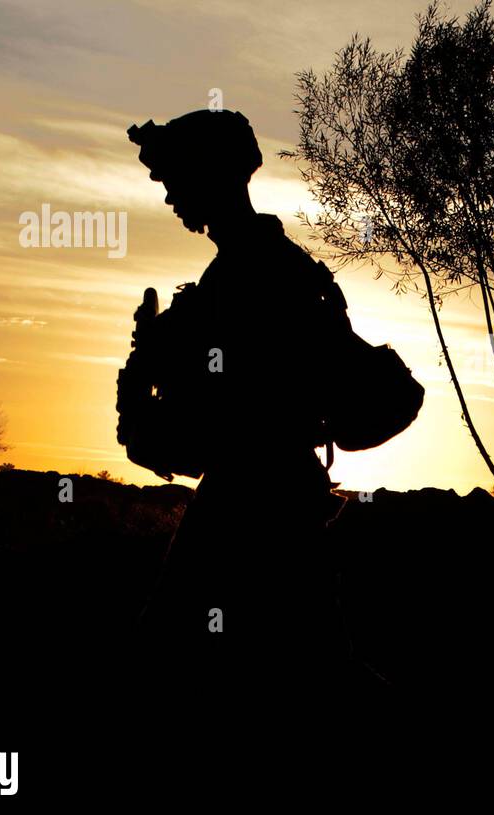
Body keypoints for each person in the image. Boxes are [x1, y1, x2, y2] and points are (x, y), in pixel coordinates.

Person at [121, 109, 356, 688]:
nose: (168, 193)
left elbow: (213, 415)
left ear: (213, 177)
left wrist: (150, 362)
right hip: (277, 497)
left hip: (251, 504)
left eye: (176, 178)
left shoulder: (249, 275)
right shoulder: (258, 270)